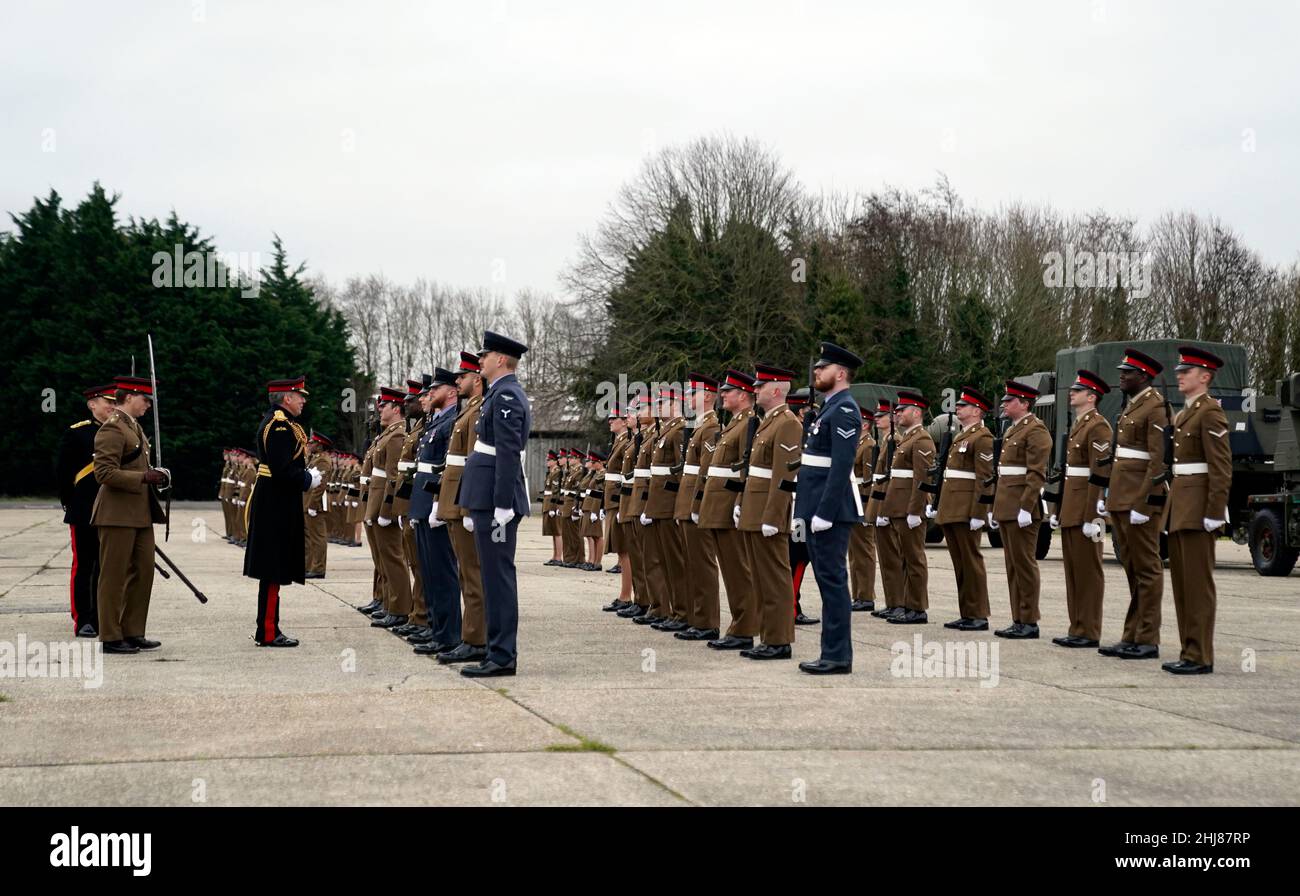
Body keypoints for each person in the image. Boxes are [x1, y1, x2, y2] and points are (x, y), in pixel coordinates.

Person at [457, 331, 531, 677]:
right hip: (486, 498)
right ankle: (495, 649)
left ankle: (502, 656)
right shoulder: (497, 394)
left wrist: (502, 504)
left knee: (498, 578)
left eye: (485, 355)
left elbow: (507, 453)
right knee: (491, 576)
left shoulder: (507, 396)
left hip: (496, 501)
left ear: (501, 359)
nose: (480, 360)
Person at [794, 343, 863, 674]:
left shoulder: (845, 409)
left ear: (841, 373)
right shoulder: (828, 408)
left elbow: (841, 466)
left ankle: (836, 655)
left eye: (823, 367)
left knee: (833, 582)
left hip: (830, 512)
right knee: (826, 581)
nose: (816, 372)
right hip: (815, 508)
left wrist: (824, 512)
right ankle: (831, 651)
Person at [1163, 347, 1231, 675]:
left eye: (1186, 371)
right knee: (1181, 583)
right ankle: (1188, 649)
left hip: (1199, 505)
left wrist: (1215, 509)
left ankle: (1200, 654)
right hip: (1181, 503)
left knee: (1197, 584)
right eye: (1179, 370)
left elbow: (1221, 466)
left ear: (1204, 376)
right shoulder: (1184, 413)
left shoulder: (1210, 412)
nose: (1179, 375)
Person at [1099, 349, 1169, 660]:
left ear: (1143, 376)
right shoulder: (1132, 406)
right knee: (1132, 569)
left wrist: (1144, 502)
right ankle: (1132, 633)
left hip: (1138, 501)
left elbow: (1159, 460)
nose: (1121, 376)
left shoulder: (1155, 407)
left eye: (1127, 372)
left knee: (1147, 569)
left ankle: (1148, 638)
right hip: (1122, 498)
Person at [91, 376, 169, 654]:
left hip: (139, 512)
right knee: (114, 576)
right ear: (129, 397)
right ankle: (111, 636)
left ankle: (133, 630)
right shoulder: (112, 429)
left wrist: (154, 478)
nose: (148, 405)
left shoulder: (132, 426)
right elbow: (104, 473)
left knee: (143, 572)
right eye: (145, 400)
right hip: (116, 513)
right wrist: (143, 477)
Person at [243, 376, 321, 647]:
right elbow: (282, 469)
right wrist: (306, 479)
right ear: (286, 398)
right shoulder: (279, 426)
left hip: (275, 501)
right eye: (299, 396)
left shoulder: (283, 423)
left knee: (273, 568)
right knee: (272, 568)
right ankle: (267, 631)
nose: (303, 400)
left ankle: (269, 628)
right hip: (275, 503)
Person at [737, 364, 803, 660]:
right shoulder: (766, 422)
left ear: (776, 390)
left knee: (775, 577)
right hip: (754, 508)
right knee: (760, 577)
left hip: (768, 513)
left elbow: (785, 476)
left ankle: (779, 640)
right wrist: (741, 503)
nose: (755, 390)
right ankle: (767, 636)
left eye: (760, 386)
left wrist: (774, 516)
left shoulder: (787, 423)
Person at [434, 350, 490, 665]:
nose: (459, 381)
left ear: (477, 381)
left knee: (473, 575)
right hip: (453, 502)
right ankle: (471, 637)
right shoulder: (467, 412)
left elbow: (473, 465)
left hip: (463, 504)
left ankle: (476, 639)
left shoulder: (479, 412)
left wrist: (468, 508)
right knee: (466, 575)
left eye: (464, 376)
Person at [1050, 371, 1113, 648]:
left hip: (1088, 511)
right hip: (1072, 508)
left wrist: (1092, 516)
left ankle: (1089, 630)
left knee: (1089, 571)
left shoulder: (1098, 426)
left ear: (1092, 396)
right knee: (1074, 571)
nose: (1072, 393)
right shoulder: (1079, 425)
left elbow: (1100, 473)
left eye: (1079, 390)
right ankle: (1077, 626)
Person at [696, 370, 758, 649]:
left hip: (728, 504)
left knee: (737, 569)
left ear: (743, 395)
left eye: (727, 391)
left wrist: (739, 502)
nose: (722, 395)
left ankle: (744, 628)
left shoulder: (748, 424)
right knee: (730, 570)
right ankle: (738, 625)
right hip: (717, 504)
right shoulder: (732, 423)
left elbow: (746, 468)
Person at [990, 380, 1053, 639]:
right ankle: (1018, 617)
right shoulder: (1013, 430)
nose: (1004, 404)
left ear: (1024, 404)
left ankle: (1029, 620)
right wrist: (996, 508)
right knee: (1012, 565)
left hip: (1022, 508)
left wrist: (1027, 507)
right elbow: (1004, 475)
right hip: (1007, 505)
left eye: (1010, 400)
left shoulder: (1035, 430)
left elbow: (1036, 472)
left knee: (1025, 565)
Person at [57, 382, 117, 637]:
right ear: (92, 404)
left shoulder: (122, 431)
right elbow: (63, 472)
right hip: (84, 509)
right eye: (108, 402)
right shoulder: (78, 433)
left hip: (114, 510)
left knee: (108, 566)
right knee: (85, 565)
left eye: (116, 402)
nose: (112, 407)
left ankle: (104, 615)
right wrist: (71, 503)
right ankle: (84, 619)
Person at [410, 367, 462, 653]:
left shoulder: (451, 422)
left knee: (443, 573)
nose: (428, 395)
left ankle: (448, 634)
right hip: (422, 504)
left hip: (434, 506)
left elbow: (447, 470)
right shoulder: (436, 423)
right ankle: (434, 628)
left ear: (450, 392)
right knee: (429, 573)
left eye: (434, 390)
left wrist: (436, 505)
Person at [934, 387, 995, 631]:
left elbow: (984, 477)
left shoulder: (982, 437)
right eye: (958, 405)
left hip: (967, 510)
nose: (958, 408)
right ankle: (967, 612)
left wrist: (980, 513)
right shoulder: (961, 435)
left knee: (971, 562)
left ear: (977, 411)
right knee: (960, 563)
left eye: (964, 405)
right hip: (953, 508)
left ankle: (978, 614)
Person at [672, 375, 722, 639]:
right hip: (687, 501)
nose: (688, 399)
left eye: (693, 394)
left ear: (706, 396)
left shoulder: (711, 428)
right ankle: (694, 616)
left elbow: (706, 471)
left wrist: (699, 503)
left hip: (698, 503)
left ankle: (707, 622)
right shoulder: (699, 427)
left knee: (702, 564)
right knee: (691, 564)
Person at [881, 391, 935, 625]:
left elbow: (921, 479)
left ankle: (917, 607)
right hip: (898, 506)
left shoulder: (922, 439)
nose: (898, 414)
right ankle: (906, 604)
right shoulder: (906, 439)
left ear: (916, 412)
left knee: (914, 559)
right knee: (904, 558)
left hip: (908, 508)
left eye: (903, 410)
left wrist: (915, 510)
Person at [366, 386, 415, 629]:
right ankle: (388, 603)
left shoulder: (396, 436)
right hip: (375, 503)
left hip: (383, 505)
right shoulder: (387, 434)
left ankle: (399, 608)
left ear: (396, 409)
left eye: (384, 405)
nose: (380, 409)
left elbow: (394, 477)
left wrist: (387, 510)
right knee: (383, 558)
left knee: (393, 558)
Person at [848, 404, 878, 614]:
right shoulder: (856, 444)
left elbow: (868, 480)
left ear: (864, 424)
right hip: (852, 500)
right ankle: (857, 594)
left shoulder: (868, 446)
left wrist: (867, 510)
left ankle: (866, 595)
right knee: (853, 552)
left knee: (864, 551)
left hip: (862, 502)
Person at [303, 431, 333, 578]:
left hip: (316, 504)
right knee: (308, 537)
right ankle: (309, 565)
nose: (309, 444)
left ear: (320, 446)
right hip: (308, 501)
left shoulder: (323, 461)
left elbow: (320, 485)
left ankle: (318, 568)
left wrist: (313, 505)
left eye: (312, 443)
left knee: (317, 537)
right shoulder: (314, 458)